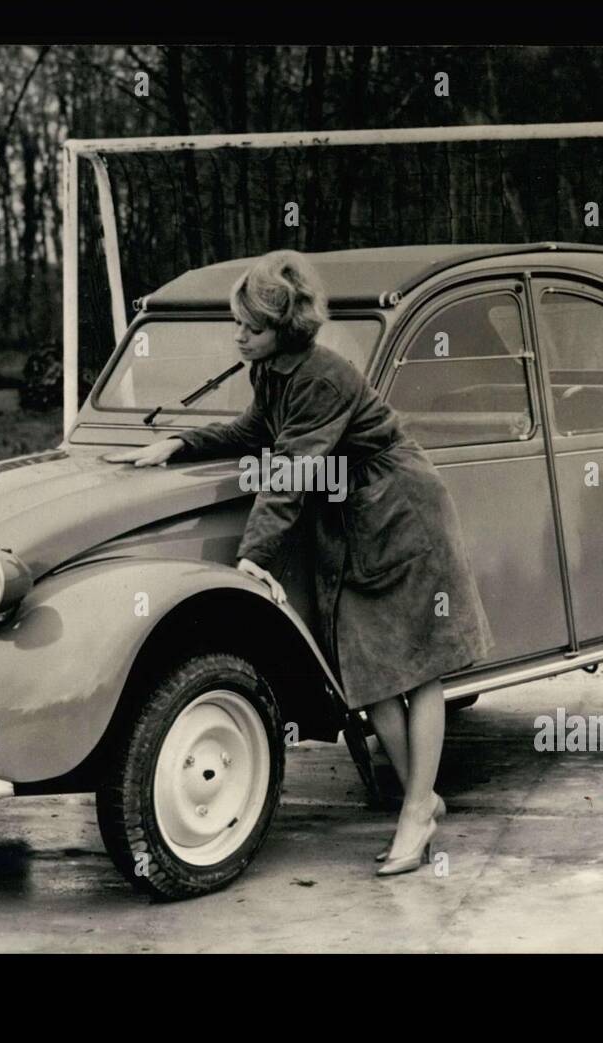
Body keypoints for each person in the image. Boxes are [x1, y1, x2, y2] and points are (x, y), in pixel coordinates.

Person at [105, 249, 494, 876]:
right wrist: (179, 443)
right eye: (238, 324)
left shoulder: (321, 378)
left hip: (401, 512)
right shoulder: (272, 372)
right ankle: (422, 796)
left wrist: (253, 557)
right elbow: (253, 433)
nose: (238, 336)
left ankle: (417, 809)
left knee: (418, 666)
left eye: (249, 328)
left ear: (282, 331)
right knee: (369, 670)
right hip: (358, 514)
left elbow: (288, 473)